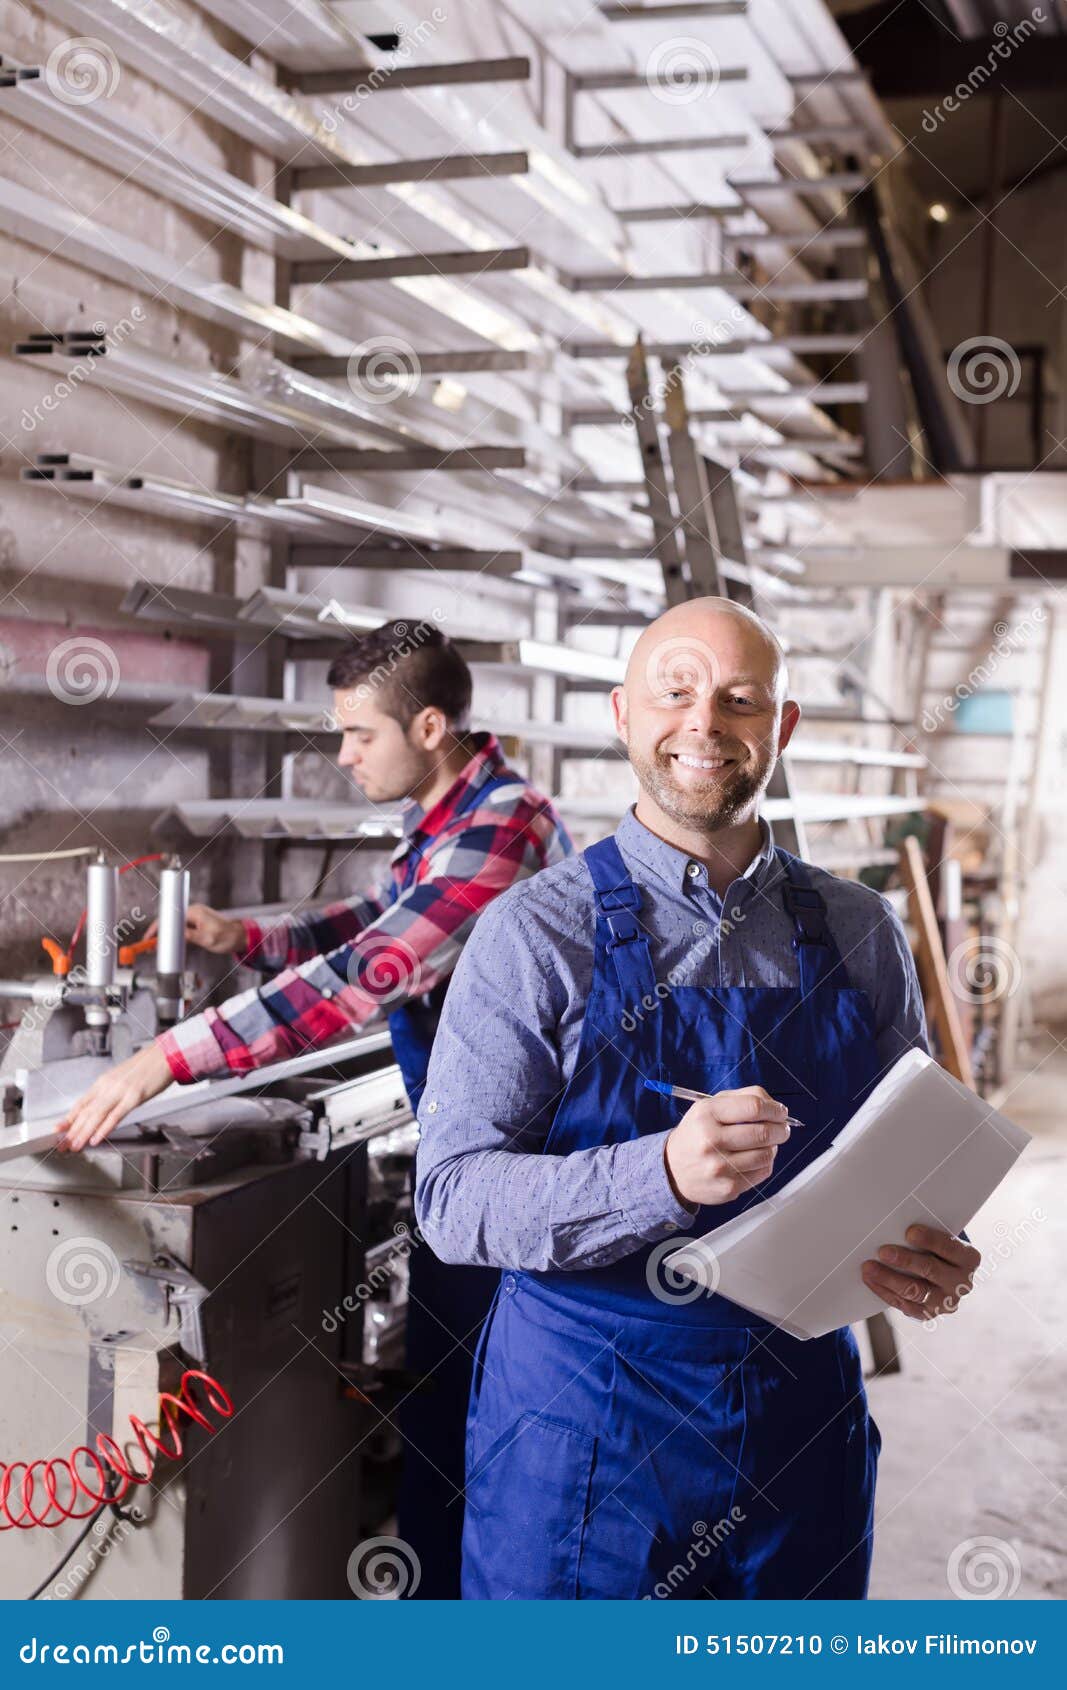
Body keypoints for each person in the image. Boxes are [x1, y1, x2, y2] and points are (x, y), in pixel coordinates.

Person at [415, 596, 983, 1601]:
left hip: (794, 1431)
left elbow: (913, 1168)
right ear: (622, 715)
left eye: (738, 699)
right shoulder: (537, 936)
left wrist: (925, 1258)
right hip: (585, 1436)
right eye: (672, 693)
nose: (702, 724)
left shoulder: (860, 931)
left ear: (780, 727)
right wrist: (658, 1172)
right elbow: (452, 1201)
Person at [55, 618, 572, 1598]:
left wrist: (169, 1058)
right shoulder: (453, 819)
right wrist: (244, 936)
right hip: (480, 1165)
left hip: (523, 1179)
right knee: (444, 1404)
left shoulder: (504, 827)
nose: (342, 757)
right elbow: (371, 920)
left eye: (356, 736)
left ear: (427, 725)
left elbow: (367, 971)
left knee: (483, 1427)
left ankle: (459, 1627)